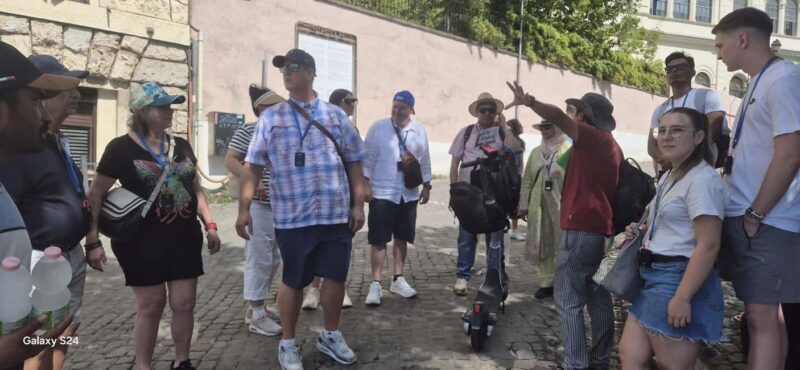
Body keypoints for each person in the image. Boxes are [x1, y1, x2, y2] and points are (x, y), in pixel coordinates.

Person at [236, 48, 366, 370]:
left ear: (310, 71)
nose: (286, 72)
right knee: (293, 280)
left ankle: (331, 335)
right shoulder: (271, 118)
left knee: (336, 277)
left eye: (293, 67)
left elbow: (354, 163)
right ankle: (289, 342)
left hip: (335, 214)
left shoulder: (335, 116)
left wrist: (358, 205)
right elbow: (251, 167)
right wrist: (243, 209)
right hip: (293, 217)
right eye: (283, 68)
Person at [84, 82, 222, 370]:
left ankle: (182, 361)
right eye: (163, 107)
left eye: (170, 106)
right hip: (139, 242)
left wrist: (209, 224)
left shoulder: (181, 145)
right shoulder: (120, 148)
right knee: (152, 304)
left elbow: (195, 189)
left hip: (184, 238)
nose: (170, 112)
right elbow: (96, 194)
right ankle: (143, 365)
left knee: (184, 304)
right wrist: (93, 239)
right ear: (143, 111)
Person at [506, 82, 621, 370]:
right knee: (597, 295)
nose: (573, 116)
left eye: (577, 112)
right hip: (600, 227)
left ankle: (576, 365)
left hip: (581, 226)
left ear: (583, 116)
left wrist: (529, 100)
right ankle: (600, 361)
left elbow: (557, 116)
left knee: (568, 300)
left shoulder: (593, 137)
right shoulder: (610, 143)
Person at [712, 8, 800, 370]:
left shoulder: (782, 80)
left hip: (768, 219)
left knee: (760, 319)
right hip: (759, 217)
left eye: (720, 45)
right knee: (766, 318)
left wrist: (755, 214)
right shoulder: (761, 80)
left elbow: (791, 154)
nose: (718, 53)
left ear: (742, 39)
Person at [0, 54, 89, 370]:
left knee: (56, 337)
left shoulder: (54, 143)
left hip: (62, 259)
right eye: (36, 100)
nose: (44, 114)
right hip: (42, 260)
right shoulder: (18, 157)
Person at [619, 107, 725, 369]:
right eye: (662, 130)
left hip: (675, 276)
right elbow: (670, 223)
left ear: (699, 137)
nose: (666, 136)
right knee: (630, 355)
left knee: (672, 363)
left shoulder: (702, 180)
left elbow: (709, 243)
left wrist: (682, 298)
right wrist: (641, 231)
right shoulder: (671, 175)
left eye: (677, 130)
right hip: (652, 274)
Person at [362, 90, 432, 306]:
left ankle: (398, 279)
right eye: (395, 106)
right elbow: (368, 158)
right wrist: (365, 184)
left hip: (408, 193)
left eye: (402, 107)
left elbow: (425, 159)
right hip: (382, 192)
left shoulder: (419, 131)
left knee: (402, 237)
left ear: (412, 110)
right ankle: (375, 283)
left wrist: (427, 185)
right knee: (379, 239)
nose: (397, 110)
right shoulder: (378, 128)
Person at [224, 84, 284, 335]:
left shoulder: (283, 132)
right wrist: (253, 181)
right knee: (258, 258)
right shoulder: (249, 129)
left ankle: (255, 307)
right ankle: (258, 313)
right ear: (263, 109)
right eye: (277, 108)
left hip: (282, 205)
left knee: (275, 259)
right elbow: (230, 159)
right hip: (259, 205)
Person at [449, 92, 521, 295]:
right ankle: (462, 277)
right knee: (466, 234)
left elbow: (516, 151)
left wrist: (505, 127)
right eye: (484, 110)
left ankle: (494, 275)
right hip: (468, 190)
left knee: (494, 234)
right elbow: (455, 162)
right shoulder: (466, 132)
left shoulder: (500, 133)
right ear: (477, 112)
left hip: (495, 190)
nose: (488, 113)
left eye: (492, 110)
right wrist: (453, 190)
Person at [301, 87, 359, 310]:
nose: (353, 104)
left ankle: (339, 289)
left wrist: (359, 199)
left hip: (343, 195)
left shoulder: (350, 127)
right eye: (349, 100)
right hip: (319, 194)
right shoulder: (320, 122)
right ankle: (314, 289)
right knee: (316, 244)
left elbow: (356, 164)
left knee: (340, 248)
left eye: (354, 100)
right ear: (337, 103)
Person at [648, 51, 727, 176]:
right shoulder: (660, 109)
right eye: (669, 69)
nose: (674, 71)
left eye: (680, 67)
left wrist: (678, 158)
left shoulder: (707, 97)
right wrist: (665, 158)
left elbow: (713, 132)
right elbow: (651, 145)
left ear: (692, 72)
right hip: (670, 173)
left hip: (699, 172)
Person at [517, 120, 570, 300]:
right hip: (539, 205)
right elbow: (527, 180)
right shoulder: (536, 152)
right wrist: (523, 204)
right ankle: (546, 282)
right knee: (543, 243)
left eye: (548, 127)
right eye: (542, 128)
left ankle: (563, 282)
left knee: (562, 243)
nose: (545, 131)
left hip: (561, 204)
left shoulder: (567, 150)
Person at [507, 118, 526, 241]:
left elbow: (521, 161)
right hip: (505, 174)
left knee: (515, 203)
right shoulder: (505, 140)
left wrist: (519, 175)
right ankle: (505, 228)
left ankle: (514, 230)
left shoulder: (521, 142)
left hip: (515, 175)